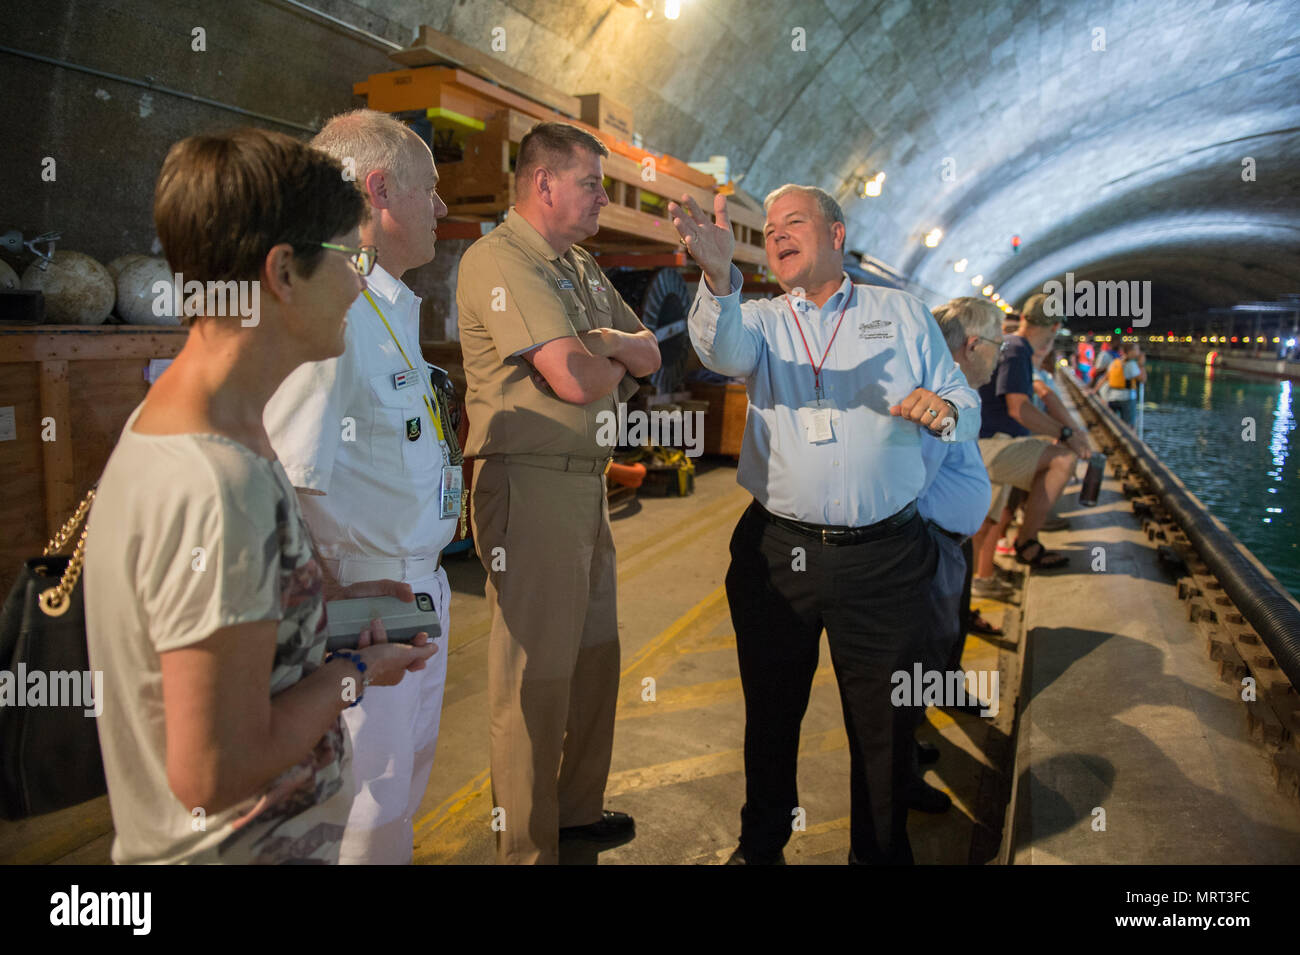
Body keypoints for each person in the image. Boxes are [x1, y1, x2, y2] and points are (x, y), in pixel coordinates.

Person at [83, 128, 435, 864]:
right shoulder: (217, 484)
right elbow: (214, 769)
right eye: (347, 257)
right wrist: (356, 674)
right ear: (282, 272)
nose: (358, 282)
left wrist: (330, 609)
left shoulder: (218, 429)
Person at [670, 183, 980, 865]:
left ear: (836, 235)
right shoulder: (762, 320)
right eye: (771, 226)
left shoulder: (901, 314)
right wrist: (719, 275)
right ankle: (762, 846)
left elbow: (962, 396)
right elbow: (718, 349)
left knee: (882, 725)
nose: (779, 233)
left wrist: (948, 411)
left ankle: (878, 852)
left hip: (885, 558)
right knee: (771, 713)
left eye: (796, 221)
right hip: (778, 552)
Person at [457, 121, 661, 865]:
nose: (601, 199)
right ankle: (528, 845)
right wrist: (608, 353)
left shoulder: (575, 265)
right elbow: (575, 378)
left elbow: (648, 350)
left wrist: (603, 346)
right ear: (544, 184)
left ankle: (573, 813)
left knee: (592, 660)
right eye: (590, 184)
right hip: (531, 485)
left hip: (585, 488)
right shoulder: (498, 260)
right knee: (534, 678)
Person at [263, 109, 457, 864]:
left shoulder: (389, 308)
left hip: (416, 594)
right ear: (380, 191)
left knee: (394, 801)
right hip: (363, 609)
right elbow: (282, 483)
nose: (442, 208)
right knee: (357, 814)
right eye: (430, 190)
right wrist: (338, 616)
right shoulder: (332, 313)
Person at [907, 297, 1001, 813]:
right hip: (928, 547)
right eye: (998, 345)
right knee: (917, 652)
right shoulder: (944, 398)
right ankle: (898, 772)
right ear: (973, 346)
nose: (999, 355)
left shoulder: (951, 393)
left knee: (930, 649)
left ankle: (904, 747)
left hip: (942, 545)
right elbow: (913, 479)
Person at [972, 293, 1091, 589]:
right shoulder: (1016, 350)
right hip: (992, 444)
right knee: (1062, 460)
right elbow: (1019, 408)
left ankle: (978, 582)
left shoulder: (1011, 346)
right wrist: (1065, 434)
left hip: (992, 441)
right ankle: (1027, 543)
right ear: (1054, 328)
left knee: (986, 523)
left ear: (1025, 317)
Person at [1090, 341, 1146, 425]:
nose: (1139, 351)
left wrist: (1094, 390)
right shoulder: (1131, 365)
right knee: (1128, 425)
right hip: (1127, 398)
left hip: (1112, 397)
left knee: (1112, 422)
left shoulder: (1115, 362)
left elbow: (1105, 377)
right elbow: (1143, 379)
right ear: (1130, 352)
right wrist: (1141, 365)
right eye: (1137, 349)